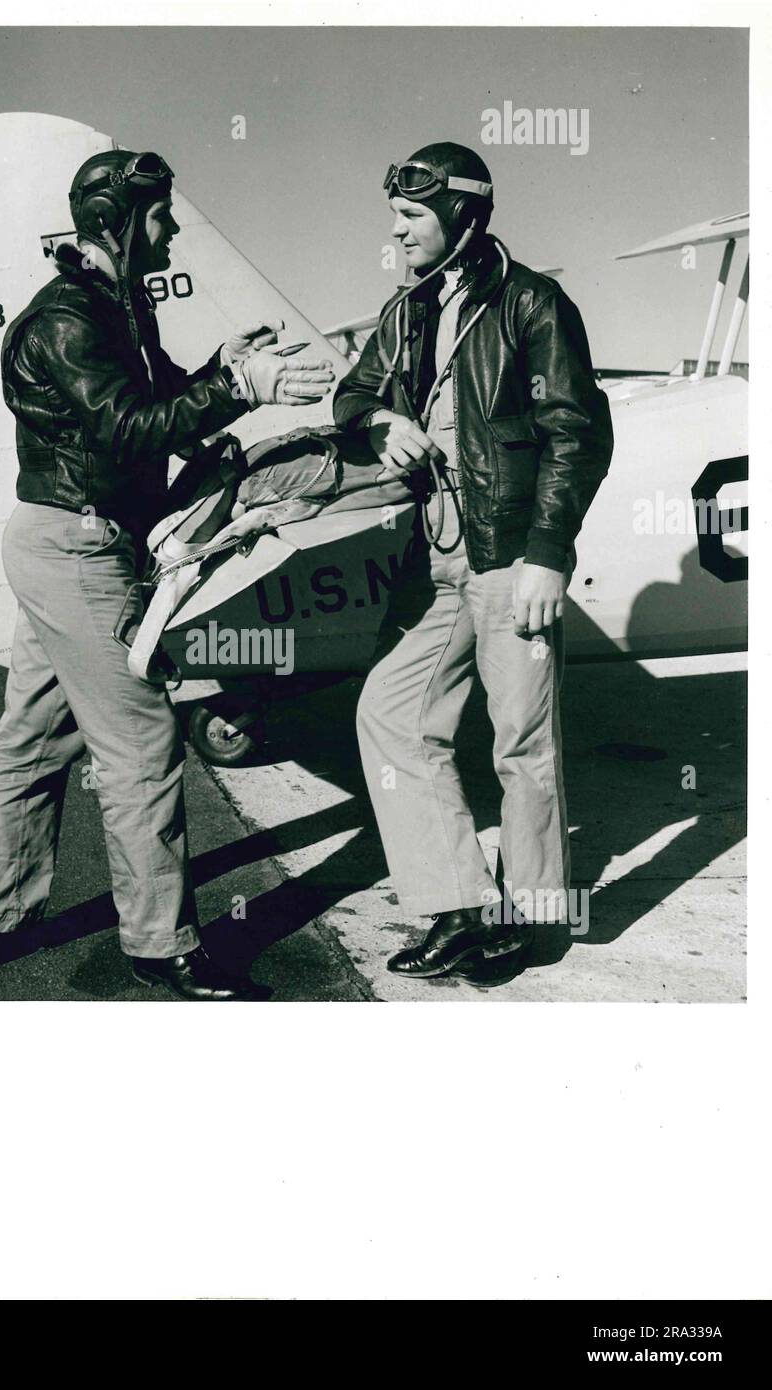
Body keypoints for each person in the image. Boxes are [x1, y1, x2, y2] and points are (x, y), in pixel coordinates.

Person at [0, 149, 334, 999]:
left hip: (67, 542)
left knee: (37, 734)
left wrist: (220, 369)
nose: (169, 228)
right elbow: (127, 428)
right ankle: (160, 944)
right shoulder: (68, 318)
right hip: (81, 548)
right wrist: (241, 388)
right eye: (159, 214)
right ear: (119, 219)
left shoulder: (113, 308)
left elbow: (160, 400)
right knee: (140, 742)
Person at [334, 142, 613, 980]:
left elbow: (578, 432)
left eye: (413, 215)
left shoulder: (534, 304)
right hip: (436, 562)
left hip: (508, 560)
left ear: (460, 214)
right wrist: (383, 425)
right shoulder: (410, 309)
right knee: (388, 713)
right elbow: (354, 393)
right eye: (397, 214)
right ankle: (458, 903)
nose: (397, 229)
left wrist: (547, 555)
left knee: (519, 746)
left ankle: (535, 924)